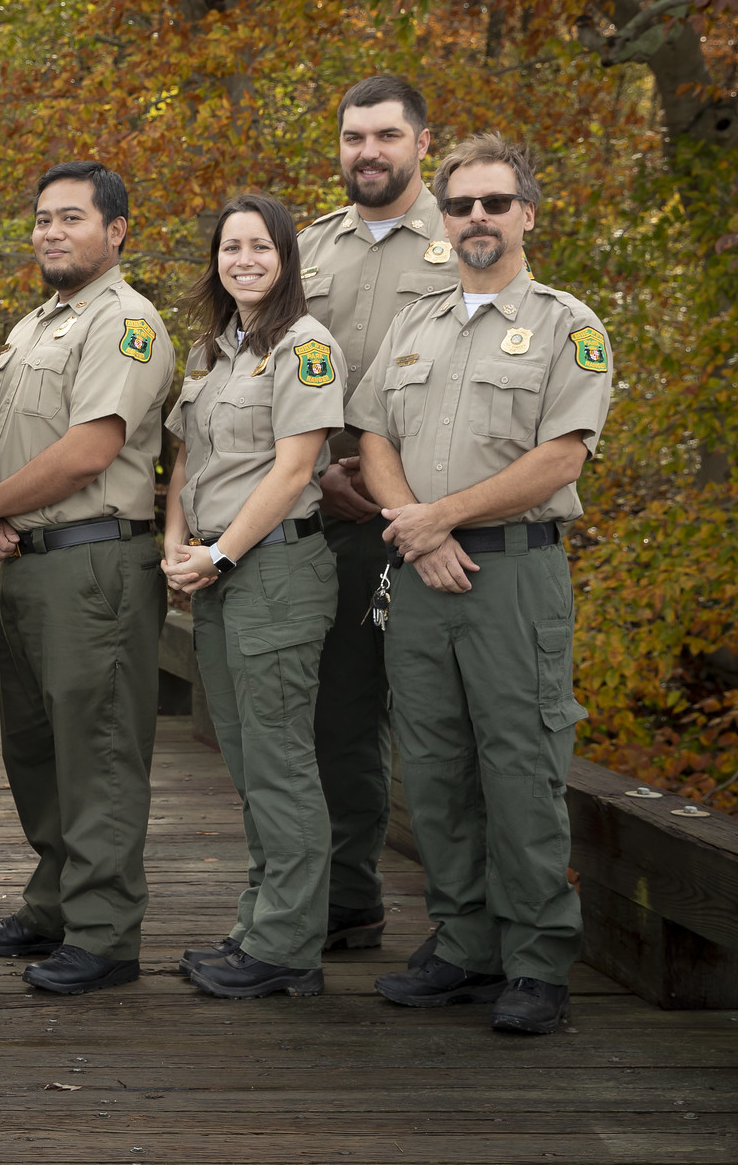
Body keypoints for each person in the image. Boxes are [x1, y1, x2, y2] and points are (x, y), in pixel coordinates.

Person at [348, 133, 613, 1036]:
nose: (476, 218)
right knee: (432, 767)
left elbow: (561, 456)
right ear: (445, 218)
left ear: (526, 214)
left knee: (521, 767)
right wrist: (414, 528)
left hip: (512, 575)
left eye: (495, 202)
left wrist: (442, 517)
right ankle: (464, 941)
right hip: (422, 575)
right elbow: (374, 436)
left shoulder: (568, 325)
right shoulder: (414, 325)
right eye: (460, 204)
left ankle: (536, 958)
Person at [0, 161, 173, 995]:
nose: (51, 231)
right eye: (43, 217)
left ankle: (105, 931)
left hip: (94, 561)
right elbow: (4, 433)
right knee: (36, 747)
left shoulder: (125, 322)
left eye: (71, 217)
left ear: (115, 231)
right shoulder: (36, 325)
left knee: (99, 749)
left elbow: (90, 449)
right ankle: (54, 904)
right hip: (29, 561)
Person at [162, 194, 346, 1000]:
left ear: (286, 257)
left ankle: (289, 946)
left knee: (280, 761)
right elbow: (187, 458)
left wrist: (220, 551)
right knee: (244, 758)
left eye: (260, 246)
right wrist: (177, 541)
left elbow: (294, 468)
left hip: (273, 571)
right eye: (230, 246)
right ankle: (260, 920)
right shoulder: (213, 351)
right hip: (215, 571)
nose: (243, 260)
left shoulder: (307, 346)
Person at [297, 74, 456, 952]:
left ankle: (466, 923)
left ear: (423, 143)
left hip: (434, 521)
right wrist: (316, 473)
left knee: (440, 720)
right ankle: (346, 899)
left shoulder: (465, 237)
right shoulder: (307, 250)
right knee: (341, 715)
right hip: (332, 515)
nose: (369, 152)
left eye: (387, 136)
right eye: (354, 137)